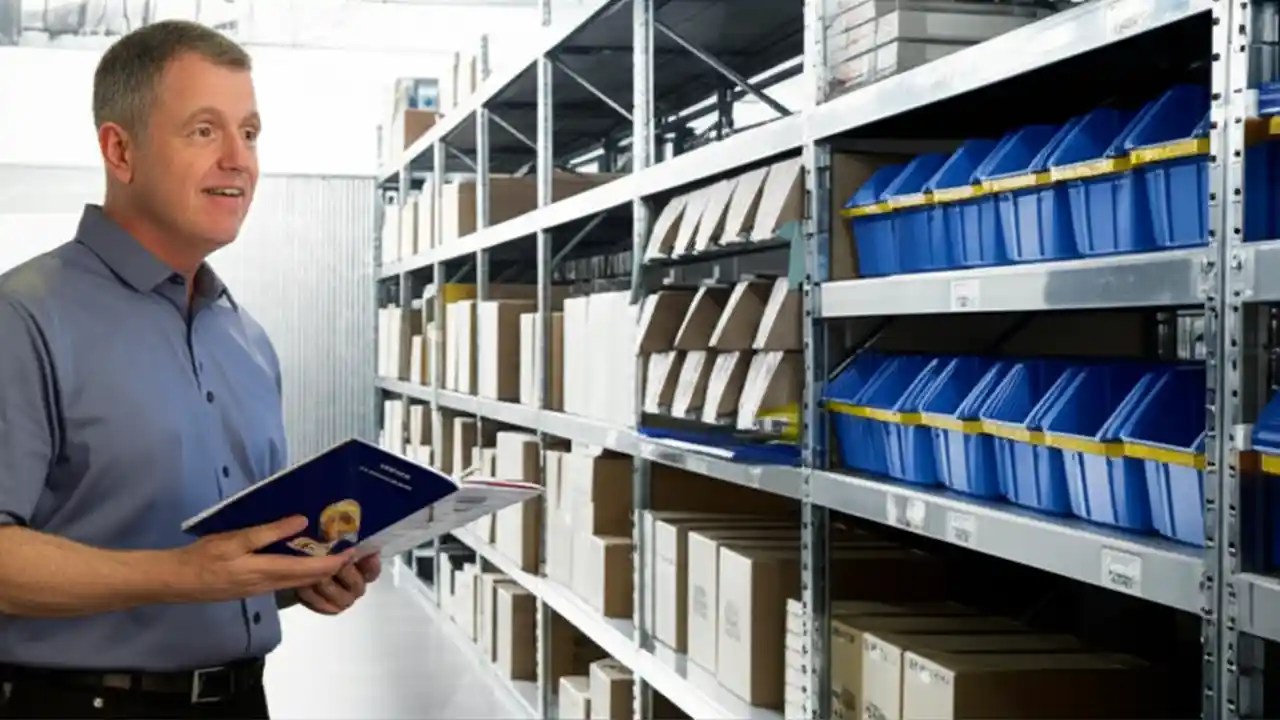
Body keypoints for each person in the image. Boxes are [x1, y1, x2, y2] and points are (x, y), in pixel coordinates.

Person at [0, 19, 380, 720]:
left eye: (251, 132)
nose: (239, 158)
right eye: (204, 131)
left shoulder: (246, 340)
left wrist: (304, 576)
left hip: (242, 700)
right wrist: (180, 575)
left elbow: (238, 558)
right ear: (120, 150)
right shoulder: (23, 319)